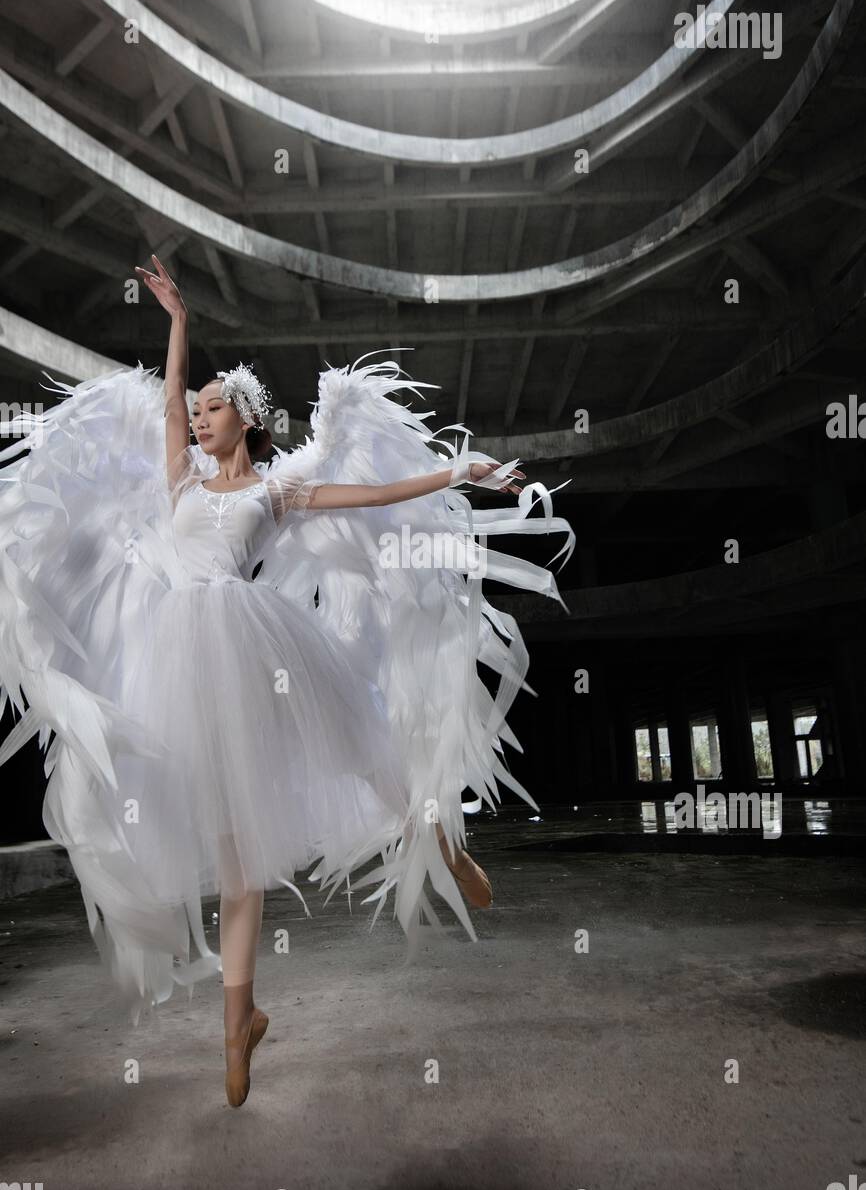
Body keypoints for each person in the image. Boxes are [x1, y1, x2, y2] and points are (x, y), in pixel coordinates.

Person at [0, 253, 574, 1109]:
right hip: (184, 664)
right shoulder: (180, 479)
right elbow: (164, 398)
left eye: (212, 407)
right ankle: (239, 1026)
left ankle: (443, 847)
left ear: (249, 418)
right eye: (193, 409)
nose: (196, 418)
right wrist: (179, 321)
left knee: (361, 751)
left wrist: (464, 470)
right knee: (238, 869)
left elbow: (375, 496)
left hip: (262, 649)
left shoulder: (279, 490)